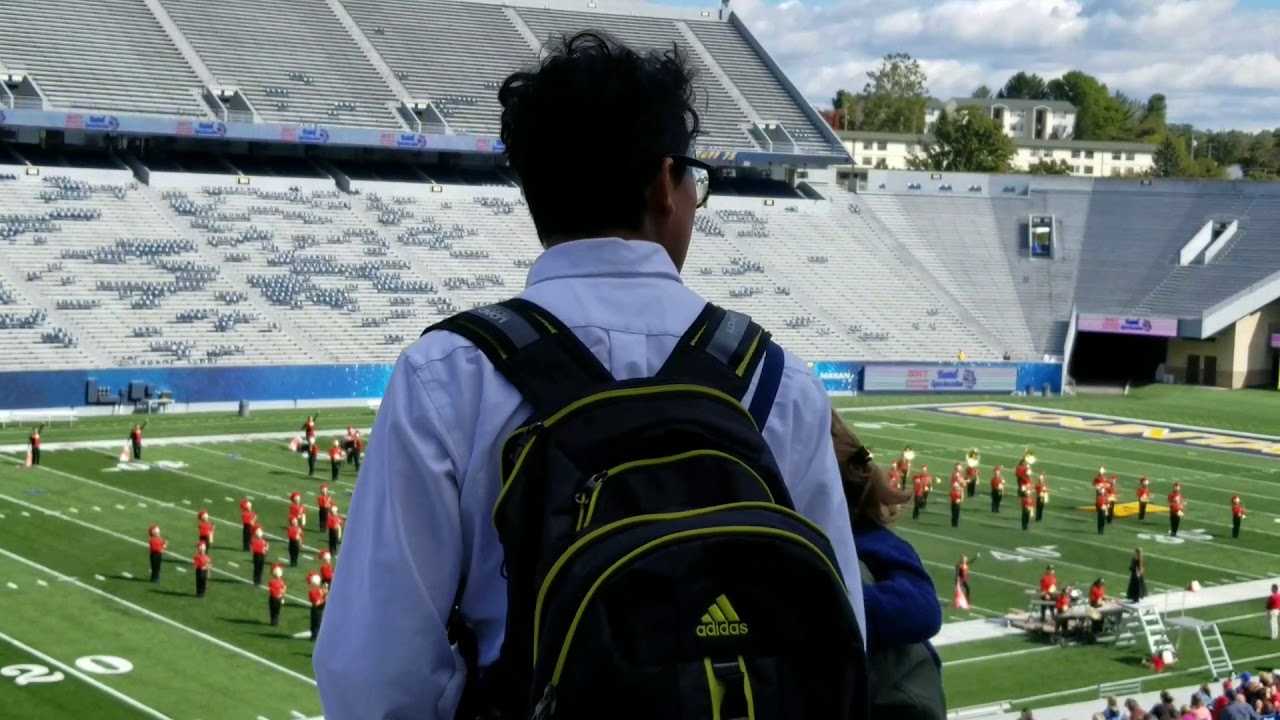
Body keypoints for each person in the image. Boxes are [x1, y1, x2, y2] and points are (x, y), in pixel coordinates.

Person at [315, 31, 868, 720]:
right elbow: (840, 638)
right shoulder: (776, 381)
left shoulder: (447, 375)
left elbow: (374, 673)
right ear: (667, 184)